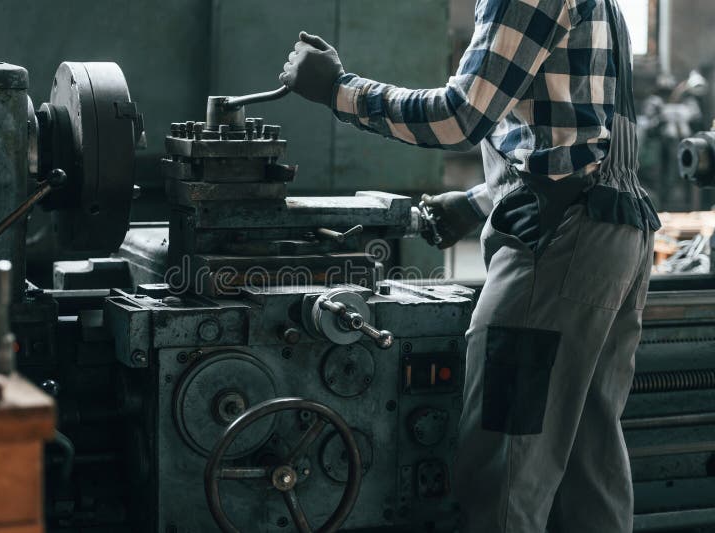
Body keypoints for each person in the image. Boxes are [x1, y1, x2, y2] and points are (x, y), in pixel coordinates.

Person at [279, 0, 660, 531]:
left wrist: (337, 89)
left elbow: (461, 116)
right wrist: (481, 201)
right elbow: (570, 136)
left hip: (557, 250)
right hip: (613, 235)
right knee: (583, 464)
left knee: (506, 466)